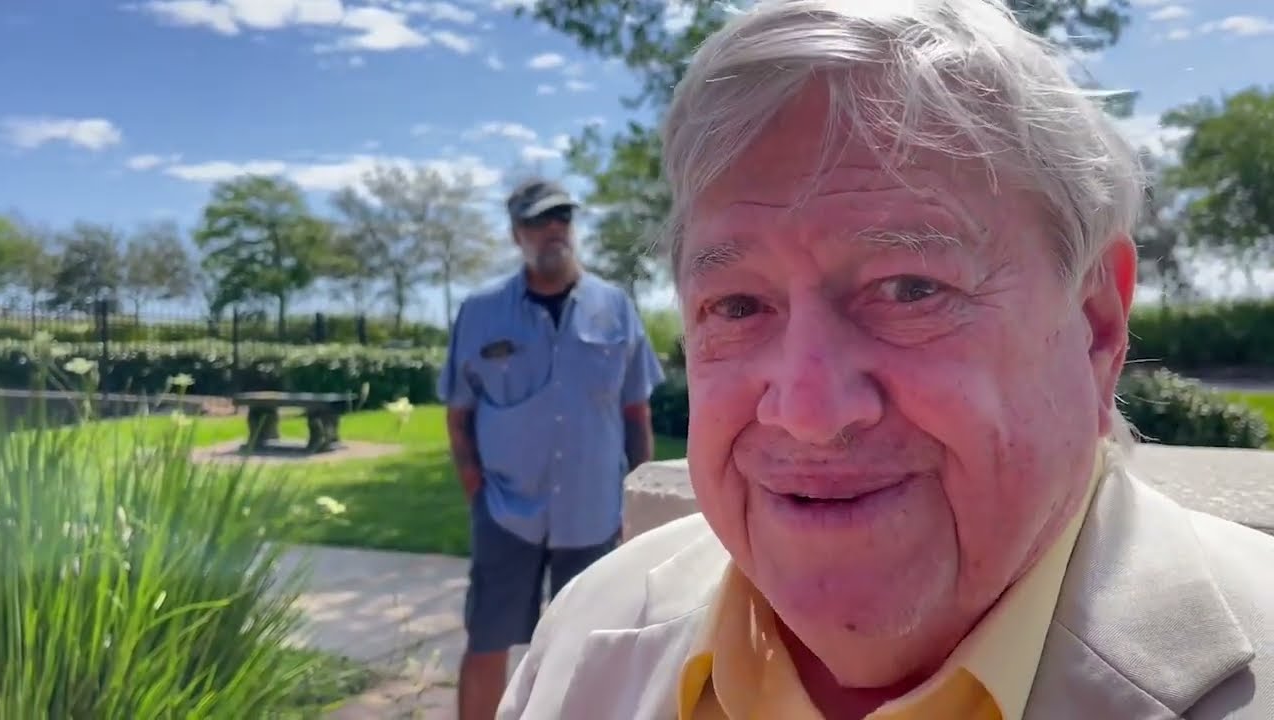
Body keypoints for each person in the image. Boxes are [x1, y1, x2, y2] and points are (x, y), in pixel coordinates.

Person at [496, 2, 1274, 719]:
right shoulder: (580, 633)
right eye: (736, 306)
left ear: (1097, 325)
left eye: (908, 290)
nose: (807, 411)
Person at [438, 177, 666, 720]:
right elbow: (458, 415)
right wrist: (477, 492)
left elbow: (636, 413)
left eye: (561, 217)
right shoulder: (481, 311)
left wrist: (636, 499)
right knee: (488, 641)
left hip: (592, 516)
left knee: (589, 650)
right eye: (538, 220)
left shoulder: (616, 308)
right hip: (506, 513)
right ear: (517, 232)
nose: (553, 229)